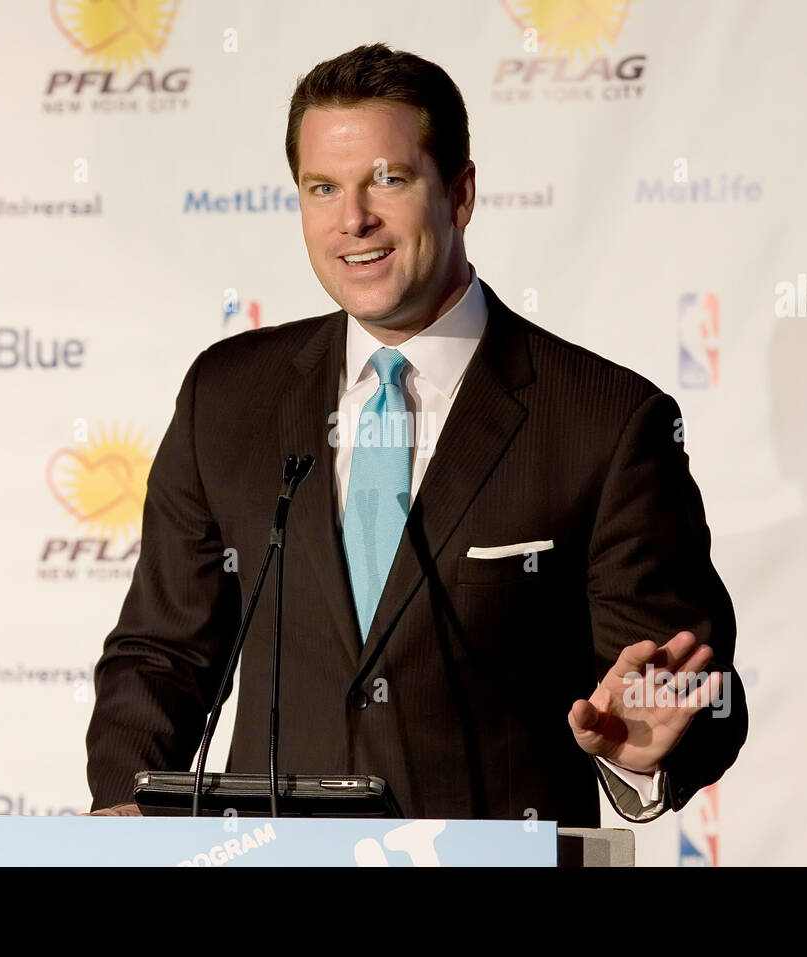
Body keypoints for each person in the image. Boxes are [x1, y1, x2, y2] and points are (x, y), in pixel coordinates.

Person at [85, 43, 746, 826]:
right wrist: (126, 806)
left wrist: (645, 748)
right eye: (322, 187)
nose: (352, 218)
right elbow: (162, 654)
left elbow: (699, 690)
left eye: (388, 180)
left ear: (460, 193)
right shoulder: (226, 396)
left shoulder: (606, 420)